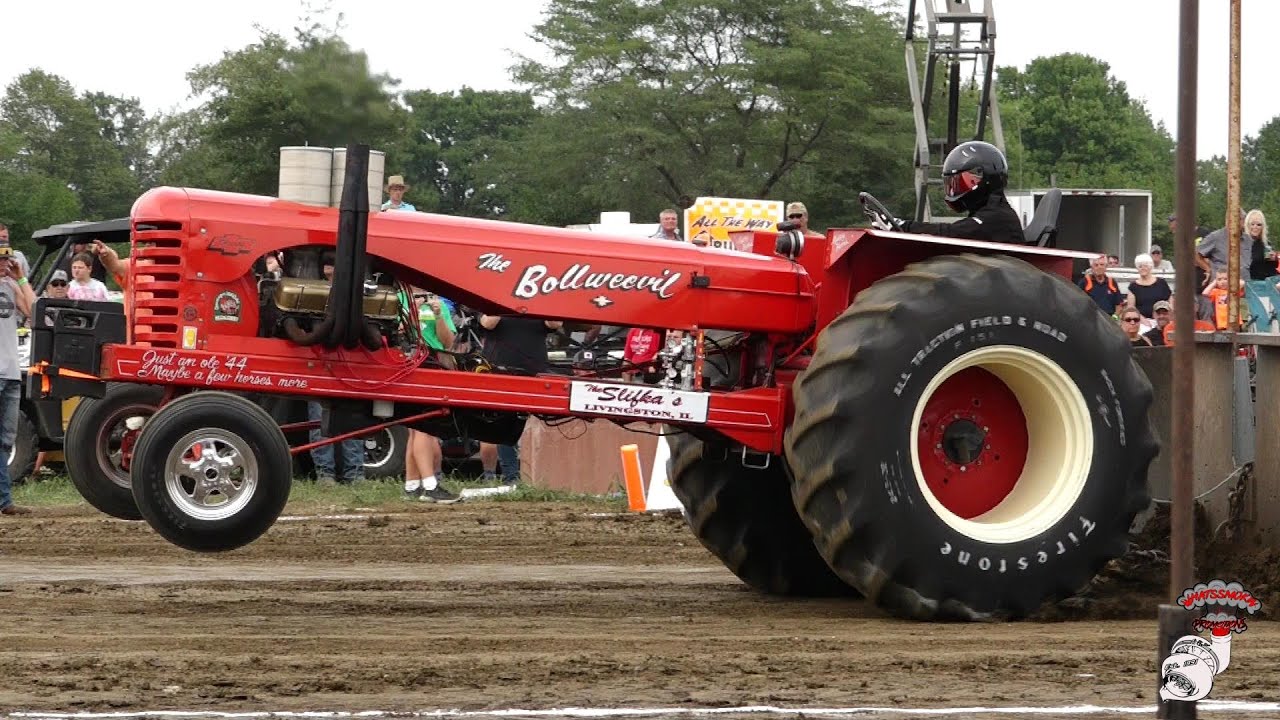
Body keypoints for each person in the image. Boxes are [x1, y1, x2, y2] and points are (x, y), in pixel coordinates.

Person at [476, 314, 563, 485]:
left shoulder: (537, 304)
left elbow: (554, 323)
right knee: (498, 424)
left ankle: (526, 477)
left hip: (533, 372)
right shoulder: (492, 302)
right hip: (499, 371)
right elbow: (488, 323)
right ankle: (503, 476)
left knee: (529, 423)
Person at [886, 141, 1023, 244]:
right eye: (951, 184)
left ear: (984, 178)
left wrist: (905, 226)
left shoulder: (997, 217)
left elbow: (950, 232)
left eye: (958, 182)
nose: (954, 190)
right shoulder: (991, 213)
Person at [402, 289, 461, 504]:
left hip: (433, 361)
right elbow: (394, 333)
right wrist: (412, 313)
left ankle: (412, 485)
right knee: (422, 426)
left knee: (417, 429)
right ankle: (430, 484)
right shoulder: (399, 299)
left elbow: (447, 342)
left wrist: (437, 315)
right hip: (409, 361)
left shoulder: (439, 302)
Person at [0, 238, 36, 516]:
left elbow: (35, 314)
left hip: (11, 373)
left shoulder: (12, 286)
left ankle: (4, 500)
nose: (4, 265)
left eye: (6, 260)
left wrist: (21, 278)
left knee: (6, 439)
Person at [1125, 253, 1172, 320]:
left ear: (1150, 266)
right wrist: (1143, 320)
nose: (1143, 268)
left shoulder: (1162, 283)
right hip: (1141, 322)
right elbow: (1131, 309)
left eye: (1145, 266)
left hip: (1161, 319)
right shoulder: (1133, 287)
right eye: (1140, 266)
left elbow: (1171, 304)